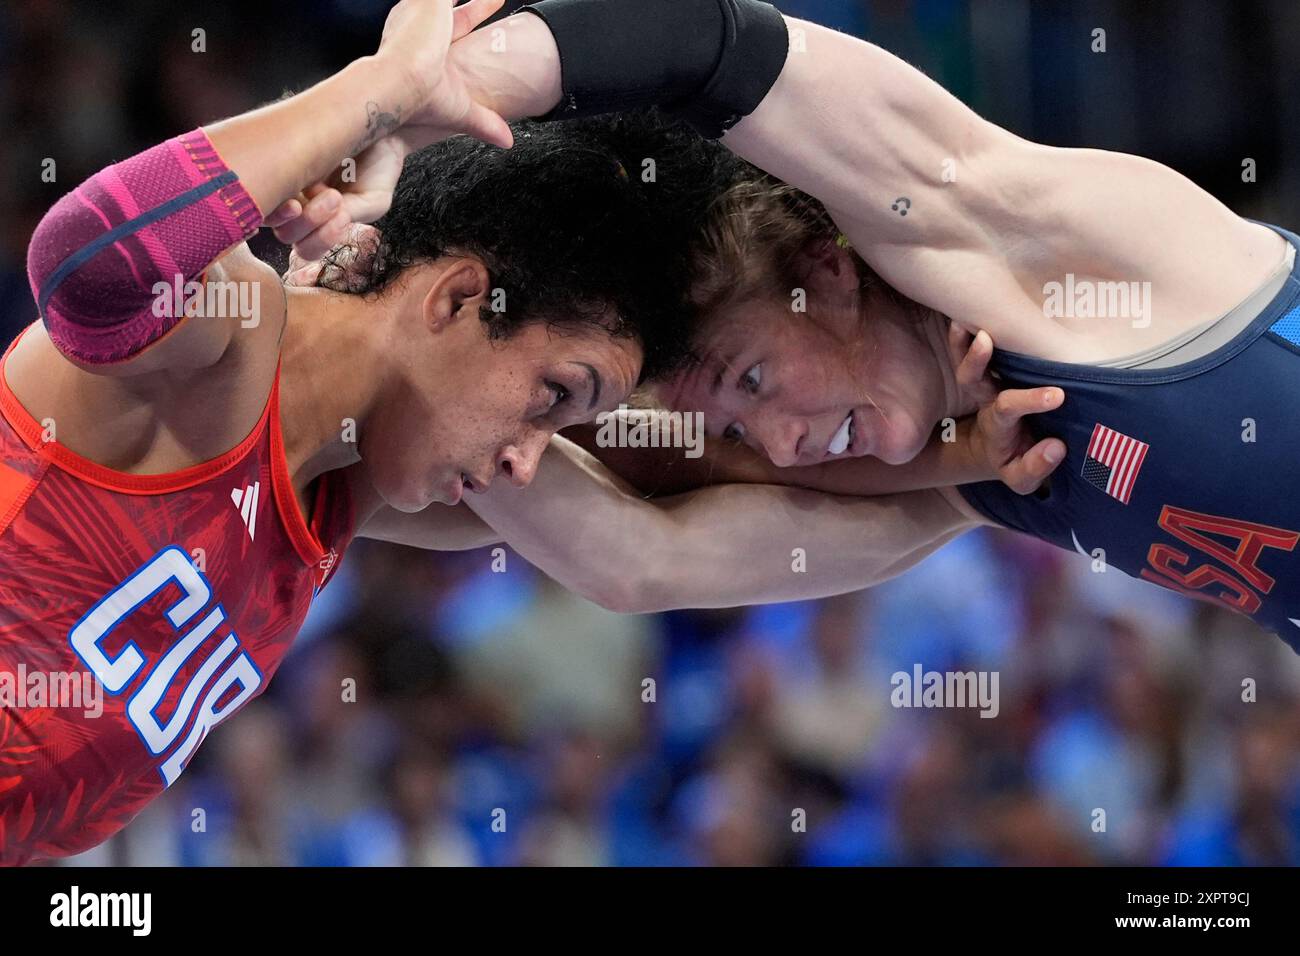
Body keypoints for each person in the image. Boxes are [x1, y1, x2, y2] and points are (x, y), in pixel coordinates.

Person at [0, 1, 1056, 865]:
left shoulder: (352, 486)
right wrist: (376, 97)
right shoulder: (228, 341)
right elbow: (84, 258)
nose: (528, 454)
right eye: (554, 394)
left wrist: (969, 475)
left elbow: (674, 523)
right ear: (459, 299)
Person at [386, 0, 1300, 652]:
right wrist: (398, 336)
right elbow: (638, 565)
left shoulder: (1032, 241)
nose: (782, 448)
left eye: (752, 381)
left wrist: (411, 103)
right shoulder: (974, 483)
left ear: (823, 268)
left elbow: (705, 42)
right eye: (739, 428)